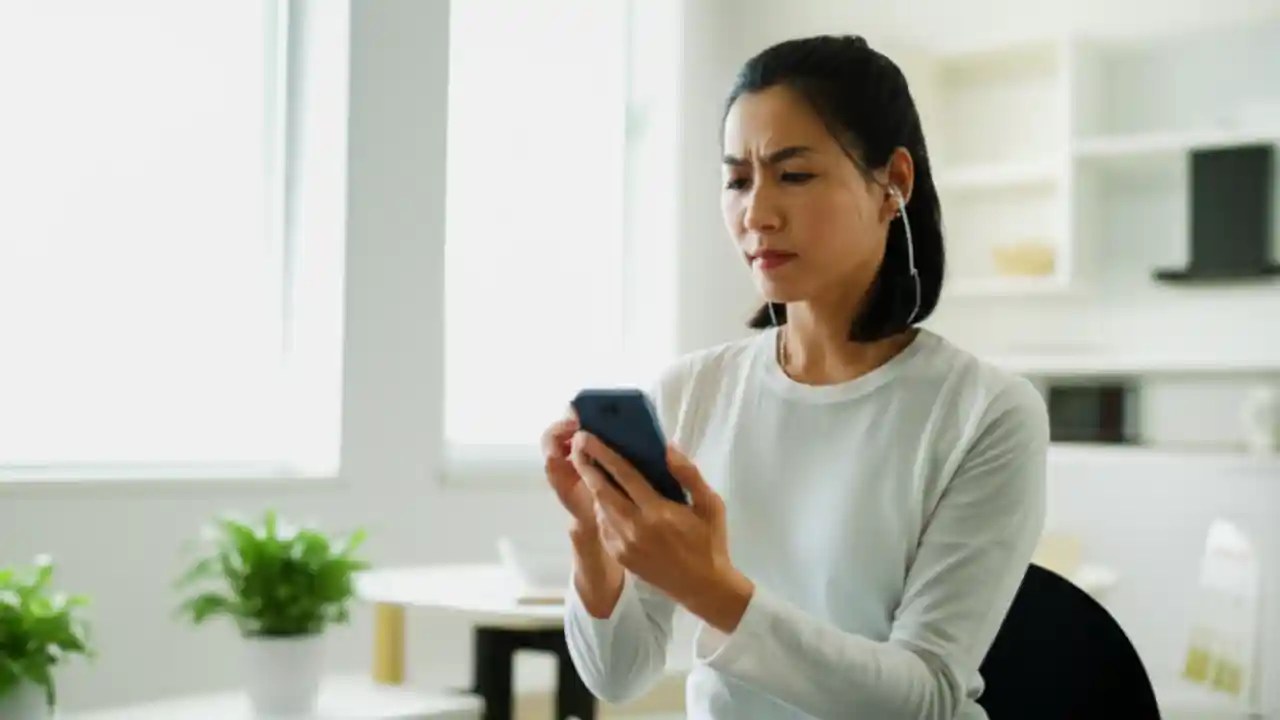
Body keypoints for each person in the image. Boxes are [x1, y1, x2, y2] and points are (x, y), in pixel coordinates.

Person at [540, 34, 1048, 720]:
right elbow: (618, 675)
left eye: (794, 174)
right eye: (738, 179)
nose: (757, 213)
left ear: (893, 182)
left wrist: (713, 589)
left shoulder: (986, 412)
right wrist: (590, 540)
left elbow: (923, 698)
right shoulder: (693, 391)